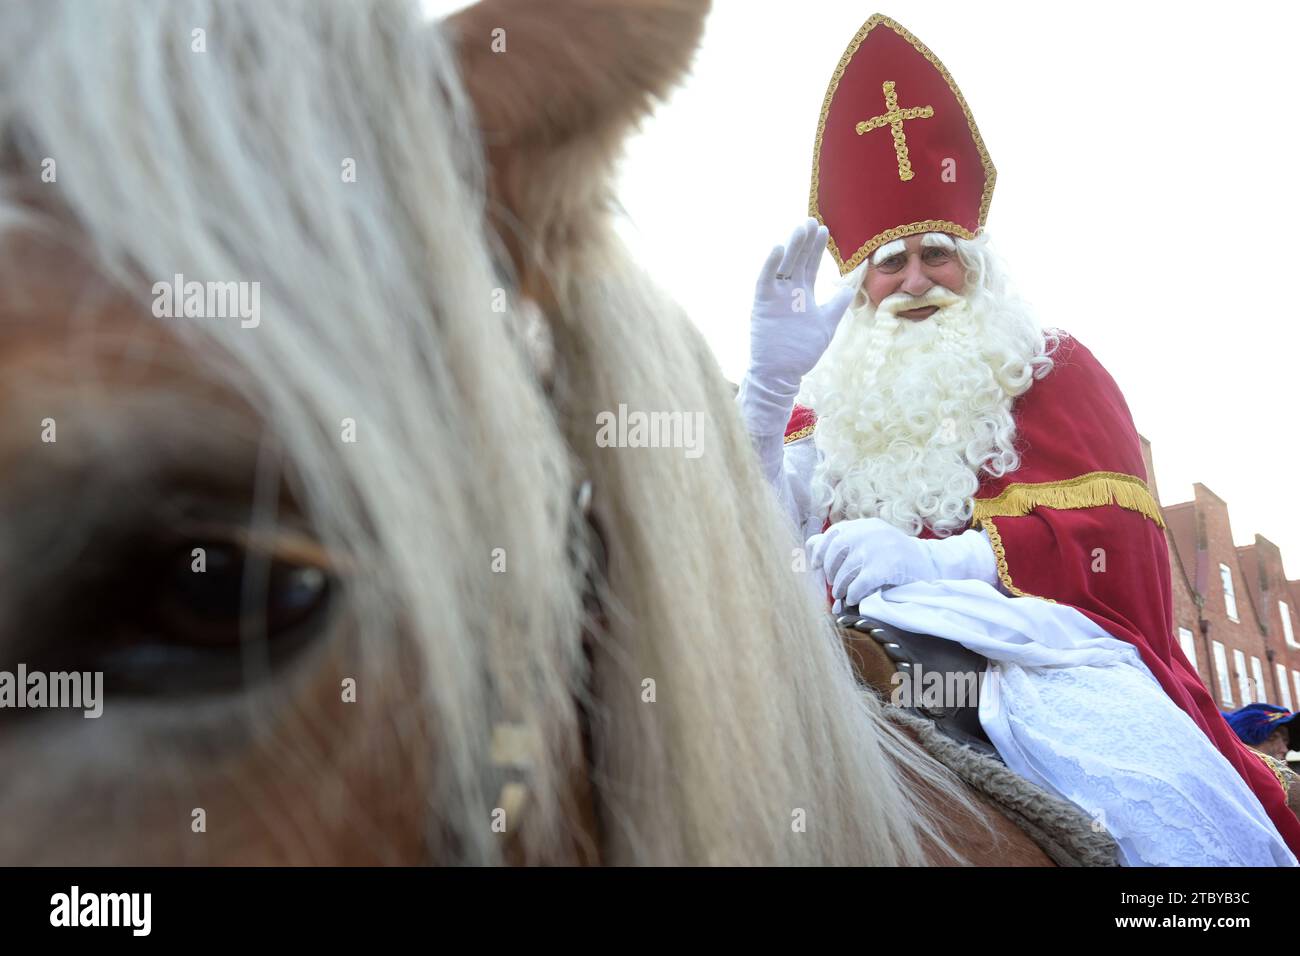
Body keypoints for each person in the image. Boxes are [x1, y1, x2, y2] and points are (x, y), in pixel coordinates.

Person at [736, 13, 1299, 866]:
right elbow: (756, 543)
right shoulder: (825, 395)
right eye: (890, 263)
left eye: (937, 254)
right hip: (833, 647)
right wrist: (768, 398)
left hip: (1036, 655)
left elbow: (1120, 546)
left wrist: (941, 563)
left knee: (1164, 809)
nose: (916, 281)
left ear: (977, 263)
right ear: (859, 286)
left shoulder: (1051, 369)